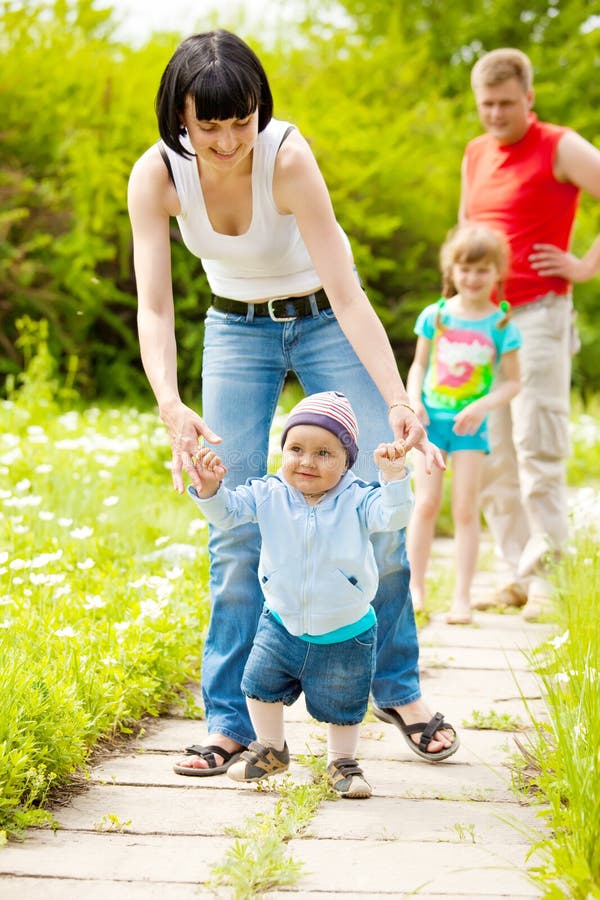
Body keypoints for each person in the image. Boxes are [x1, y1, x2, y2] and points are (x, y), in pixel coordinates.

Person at [128, 29, 458, 775]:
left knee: (378, 506)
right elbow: (154, 305)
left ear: (258, 110)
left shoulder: (290, 158)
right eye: (207, 125)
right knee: (233, 525)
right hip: (233, 331)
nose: (226, 139)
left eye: (239, 121)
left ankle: (397, 688)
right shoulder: (156, 176)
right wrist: (170, 406)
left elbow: (346, 288)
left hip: (322, 321)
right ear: (179, 118)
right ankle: (230, 719)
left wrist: (398, 397)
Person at [178, 392, 417, 798]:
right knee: (257, 685)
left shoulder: (359, 498)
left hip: (346, 629)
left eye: (324, 453)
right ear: (283, 451)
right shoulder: (268, 492)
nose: (307, 461)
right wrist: (212, 489)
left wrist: (393, 478)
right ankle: (271, 749)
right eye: (296, 449)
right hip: (281, 620)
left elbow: (393, 516)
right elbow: (229, 515)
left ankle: (342, 762)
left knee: (343, 704)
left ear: (347, 462)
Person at [459, 48, 600, 620]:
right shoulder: (474, 153)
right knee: (489, 450)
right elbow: (465, 233)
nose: (494, 114)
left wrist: (587, 265)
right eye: (486, 105)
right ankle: (513, 570)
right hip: (481, 322)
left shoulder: (559, 144)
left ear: (529, 98)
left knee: (536, 443)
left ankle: (549, 576)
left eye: (506, 104)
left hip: (539, 314)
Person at [406, 225, 521, 624]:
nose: (473, 278)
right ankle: (415, 591)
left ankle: (461, 599)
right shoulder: (435, 316)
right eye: (465, 269)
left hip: (472, 429)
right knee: (425, 504)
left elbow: (513, 382)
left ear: (497, 273)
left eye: (482, 270)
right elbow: (419, 365)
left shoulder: (502, 325)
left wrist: (483, 406)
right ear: (451, 271)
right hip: (430, 424)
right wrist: (414, 400)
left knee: (466, 509)